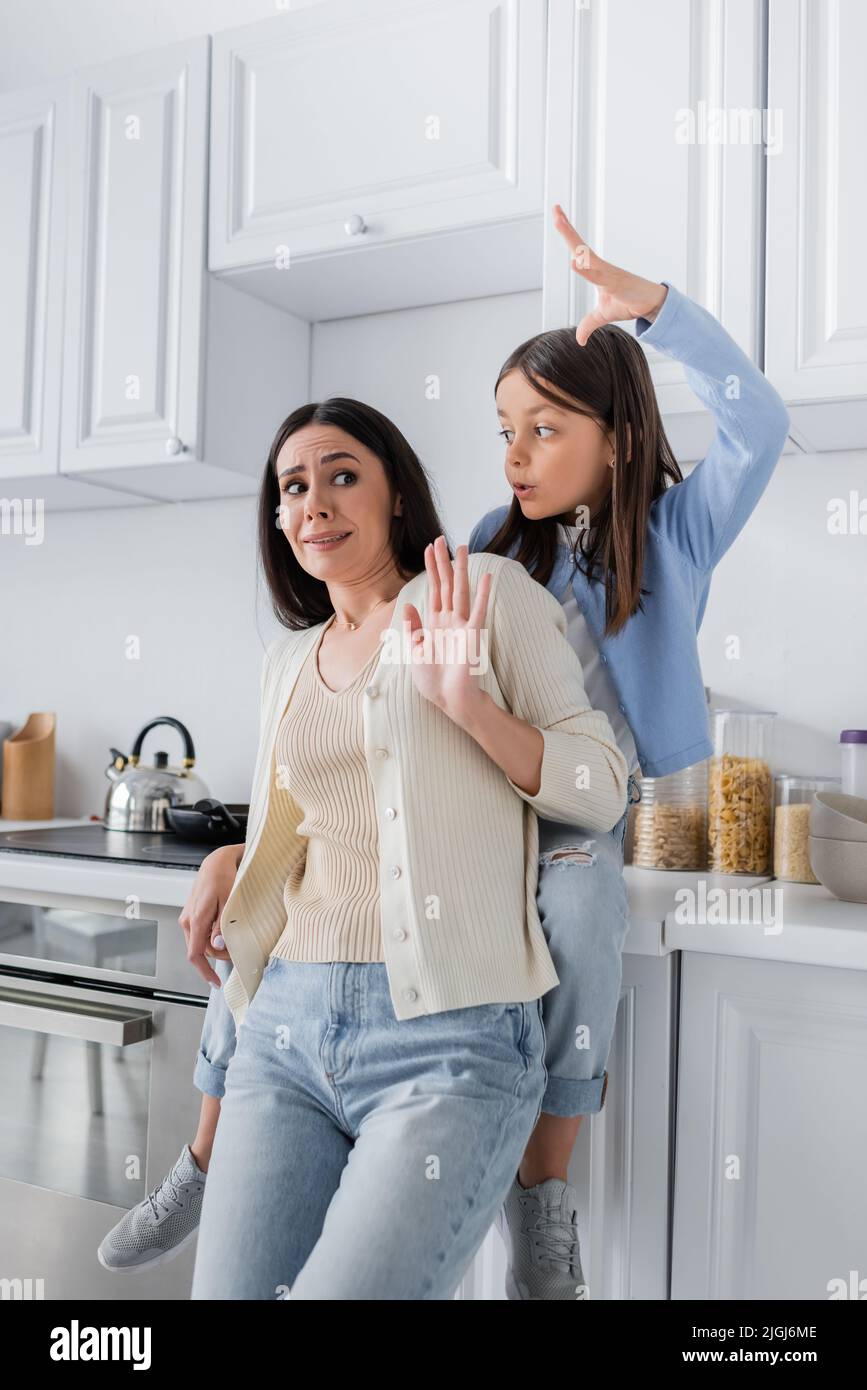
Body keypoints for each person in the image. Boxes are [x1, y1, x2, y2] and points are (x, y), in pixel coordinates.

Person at [98, 204, 789, 1299]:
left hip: (599, 810)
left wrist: (656, 309)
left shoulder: (672, 537)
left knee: (583, 909)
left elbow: (760, 421)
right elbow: (381, 713)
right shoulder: (482, 548)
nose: (513, 453)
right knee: (275, 902)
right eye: (503, 428)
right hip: (492, 812)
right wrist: (243, 849)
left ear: (615, 433)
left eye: (544, 428)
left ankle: (542, 1193)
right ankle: (206, 1146)